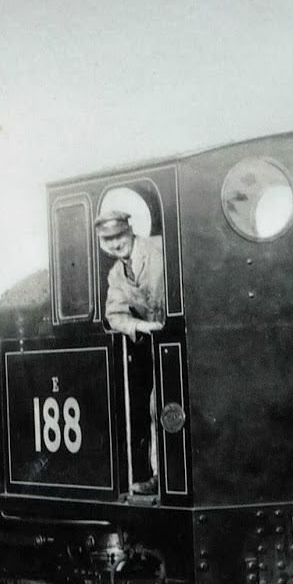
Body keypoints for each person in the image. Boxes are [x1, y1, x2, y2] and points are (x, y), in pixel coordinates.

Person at [95, 211, 166, 494]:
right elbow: (114, 315)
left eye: (119, 236)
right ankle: (162, 478)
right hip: (159, 346)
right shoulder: (116, 274)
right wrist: (143, 326)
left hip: (185, 336)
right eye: (108, 240)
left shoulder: (160, 248)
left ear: (130, 232)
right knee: (155, 407)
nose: (115, 244)